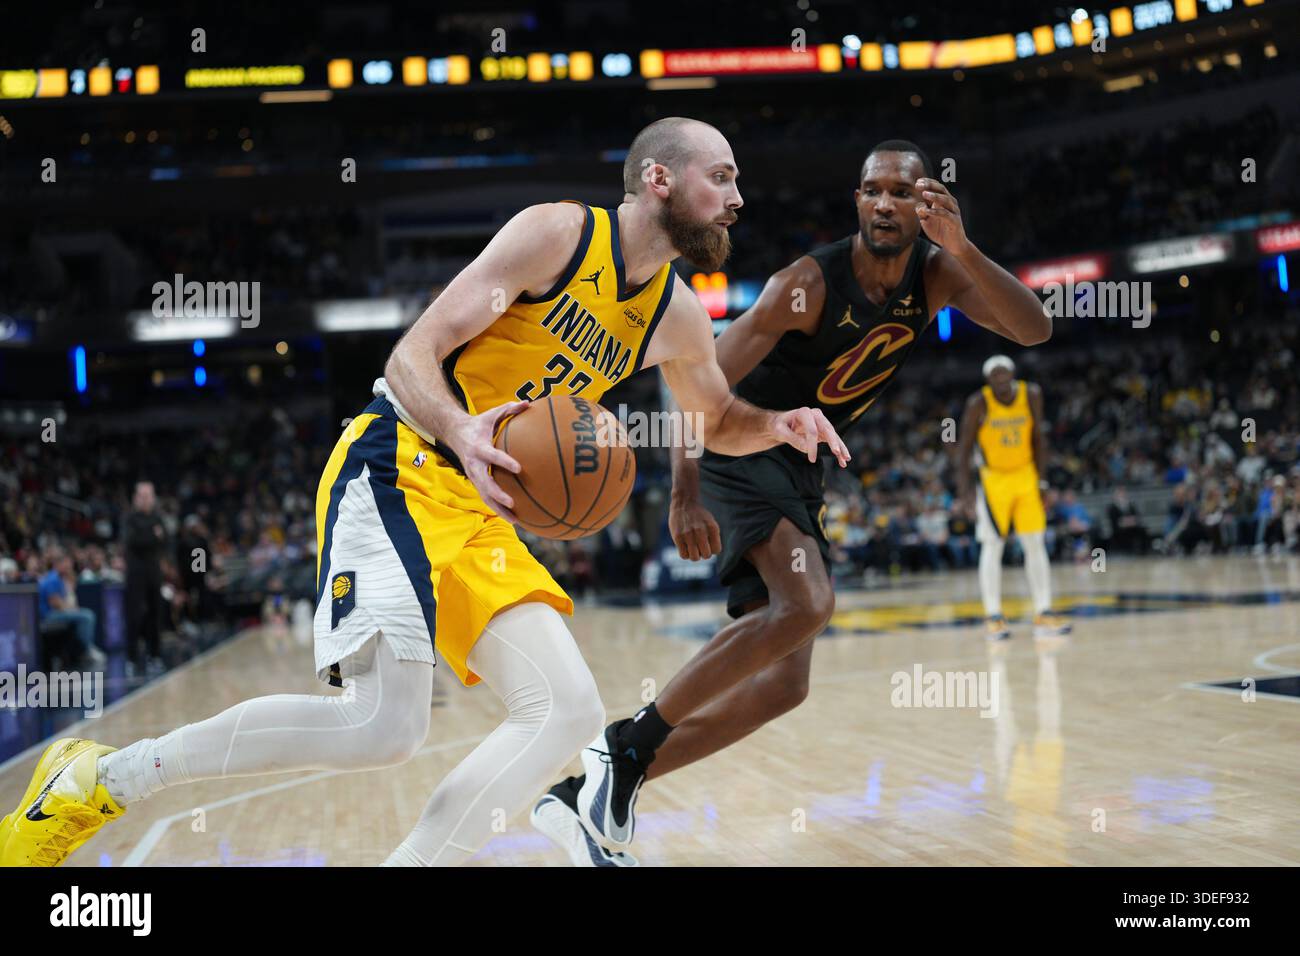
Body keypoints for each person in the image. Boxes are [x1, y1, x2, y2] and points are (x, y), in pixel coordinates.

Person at [0, 117, 850, 868]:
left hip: (475, 509)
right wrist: (463, 429)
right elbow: (414, 353)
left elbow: (716, 415)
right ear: (659, 179)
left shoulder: (677, 315)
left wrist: (778, 426)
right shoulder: (557, 235)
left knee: (565, 710)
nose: (738, 197)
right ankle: (99, 779)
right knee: (385, 727)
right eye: (723, 175)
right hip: (399, 464)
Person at [534, 140, 1054, 864]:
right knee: (807, 604)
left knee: (785, 686)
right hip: (739, 443)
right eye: (870, 189)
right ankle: (625, 748)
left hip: (800, 463)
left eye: (900, 192)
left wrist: (964, 248)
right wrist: (684, 492)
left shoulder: (937, 276)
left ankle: (584, 792)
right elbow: (699, 380)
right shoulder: (803, 284)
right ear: (857, 200)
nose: (882, 203)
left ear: (926, 203)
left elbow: (1034, 327)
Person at [956, 357, 1073, 640]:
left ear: (1012, 374)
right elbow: (964, 449)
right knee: (992, 545)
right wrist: (966, 492)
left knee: (1035, 542)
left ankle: (1043, 612)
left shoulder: (1031, 394)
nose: (1000, 377)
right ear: (988, 380)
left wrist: (1043, 480)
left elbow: (1039, 439)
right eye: (994, 374)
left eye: (1004, 372)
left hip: (1025, 476)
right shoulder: (978, 403)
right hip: (993, 479)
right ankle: (993, 615)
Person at [123, 480, 166, 671]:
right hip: (135, 572)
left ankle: (154, 656)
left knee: (155, 614)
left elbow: (165, 540)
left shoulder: (158, 518)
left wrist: (150, 537)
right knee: (134, 615)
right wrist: (152, 536)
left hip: (154, 571)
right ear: (136, 498)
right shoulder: (129, 518)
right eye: (142, 496)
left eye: (149, 496)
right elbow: (133, 541)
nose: (146, 499)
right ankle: (131, 658)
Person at [37, 552, 106, 668]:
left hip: (57, 613)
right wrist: (74, 610)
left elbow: (69, 601)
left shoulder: (61, 579)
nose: (69, 566)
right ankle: (87, 650)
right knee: (87, 616)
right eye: (66, 563)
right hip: (49, 616)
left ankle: (80, 651)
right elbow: (56, 604)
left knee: (82, 616)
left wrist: (73, 608)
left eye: (70, 563)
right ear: (58, 564)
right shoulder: (52, 579)